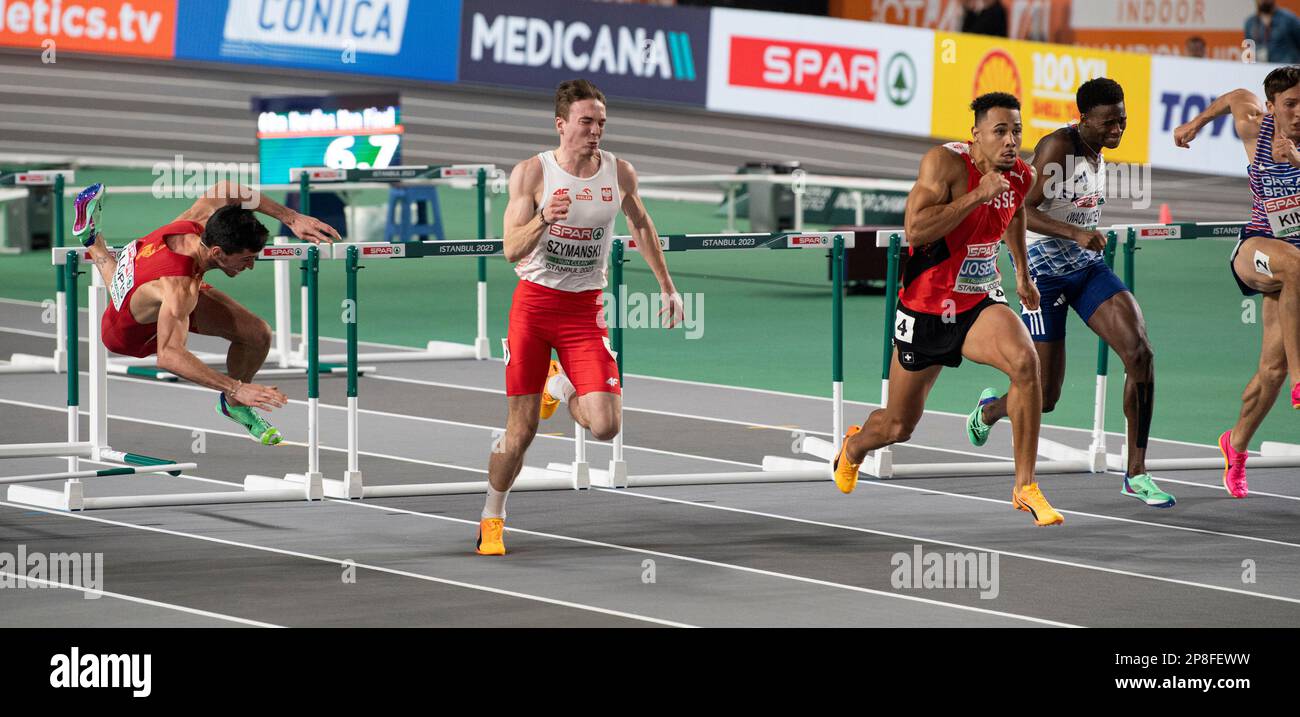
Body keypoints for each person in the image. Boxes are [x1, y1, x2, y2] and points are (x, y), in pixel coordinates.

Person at [833, 92, 1064, 526]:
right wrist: (976, 196)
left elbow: (1014, 215)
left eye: (1016, 130)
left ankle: (1025, 486)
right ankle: (855, 447)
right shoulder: (944, 164)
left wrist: (1022, 274)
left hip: (979, 301)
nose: (1011, 141)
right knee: (898, 426)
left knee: (1026, 363)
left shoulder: (1021, 176)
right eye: (1000, 132)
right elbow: (915, 230)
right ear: (975, 135)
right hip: (925, 310)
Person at [476, 79, 683, 555]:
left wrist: (667, 287)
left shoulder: (619, 172)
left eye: (601, 123)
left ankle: (561, 384)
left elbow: (641, 224)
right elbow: (510, 250)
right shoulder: (532, 174)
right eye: (586, 122)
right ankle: (493, 515)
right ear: (561, 124)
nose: (595, 132)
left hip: (585, 310)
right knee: (520, 431)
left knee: (606, 425)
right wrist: (545, 217)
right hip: (533, 306)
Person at [970, 78, 1174, 509]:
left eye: (1122, 120)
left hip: (1085, 268)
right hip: (1044, 274)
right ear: (1083, 120)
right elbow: (1018, 208)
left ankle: (1136, 473)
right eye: (1108, 123)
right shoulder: (1057, 148)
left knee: (1140, 353)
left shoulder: (1097, 150)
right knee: (1046, 397)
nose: (1117, 130)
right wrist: (1076, 232)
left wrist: (1080, 240)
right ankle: (990, 410)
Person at [73, 181, 339, 445]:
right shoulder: (179, 290)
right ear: (217, 252)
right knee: (130, 293)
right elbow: (169, 357)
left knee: (257, 335)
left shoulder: (199, 222)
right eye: (246, 259)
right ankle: (95, 245)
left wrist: (291, 218)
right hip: (128, 333)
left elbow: (228, 189)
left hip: (144, 269)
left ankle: (92, 240)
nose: (251, 267)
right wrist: (236, 387)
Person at [1175, 65, 1300, 498]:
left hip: (1292, 273)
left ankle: (1237, 444)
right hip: (1257, 251)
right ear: (1271, 107)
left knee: (1271, 371)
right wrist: (1195, 123)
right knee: (1294, 264)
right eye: (1291, 105)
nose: (1299, 113)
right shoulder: (1256, 127)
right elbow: (1233, 95)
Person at [1246, 0, 1300, 64]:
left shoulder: (1289, 19)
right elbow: (1250, 51)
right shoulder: (1250, 23)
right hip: (1261, 69)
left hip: (1285, 69)